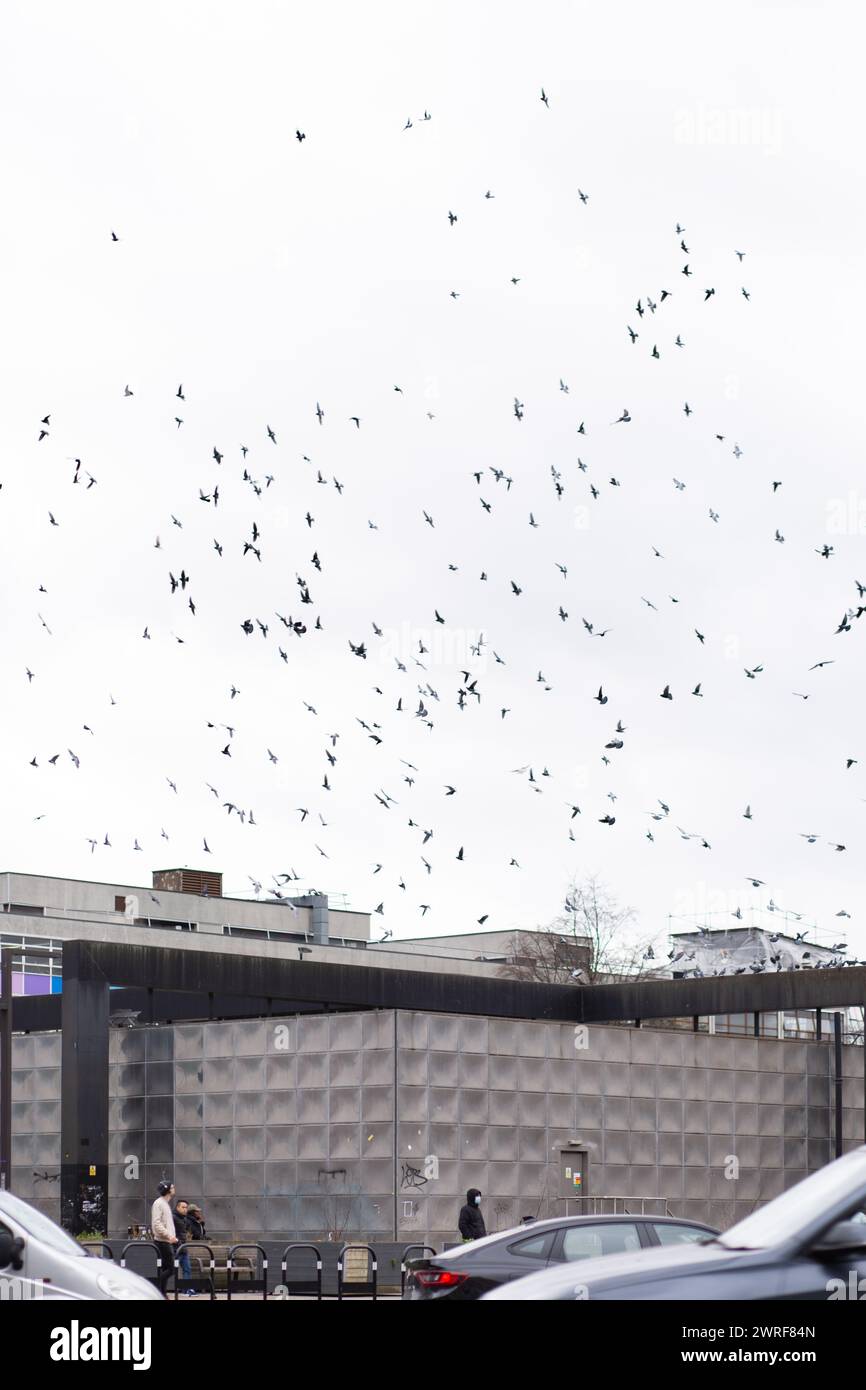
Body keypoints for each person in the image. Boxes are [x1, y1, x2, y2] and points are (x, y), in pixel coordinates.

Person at [150, 1180, 177, 1294]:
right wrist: (169, 1236)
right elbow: (156, 1224)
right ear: (167, 1190)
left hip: (167, 1241)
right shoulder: (159, 1203)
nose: (174, 1188)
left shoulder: (165, 1203)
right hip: (163, 1241)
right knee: (171, 1269)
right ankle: (154, 1289)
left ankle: (162, 1293)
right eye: (172, 1187)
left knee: (166, 1269)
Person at [173, 1198, 195, 1296]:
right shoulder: (172, 1217)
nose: (185, 1209)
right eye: (183, 1207)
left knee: (187, 1269)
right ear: (177, 1207)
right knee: (169, 1270)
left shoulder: (184, 1219)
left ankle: (187, 1290)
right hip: (174, 1248)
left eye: (186, 1207)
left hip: (183, 1248)